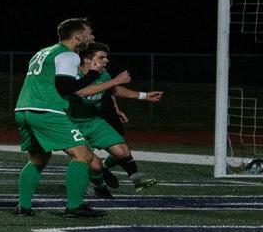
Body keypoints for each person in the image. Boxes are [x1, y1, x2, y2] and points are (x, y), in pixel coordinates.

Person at [13, 18, 131, 218]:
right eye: (88, 33)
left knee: (38, 158)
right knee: (83, 155)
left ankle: (23, 207)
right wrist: (93, 73)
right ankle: (74, 207)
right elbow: (66, 88)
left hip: (23, 110)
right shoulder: (68, 55)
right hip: (47, 111)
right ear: (78, 36)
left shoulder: (43, 52)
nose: (91, 37)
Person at [71, 42, 162, 196]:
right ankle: (99, 188)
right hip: (72, 124)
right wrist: (116, 80)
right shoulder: (72, 74)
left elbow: (112, 89)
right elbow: (82, 92)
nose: (106, 60)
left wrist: (143, 95)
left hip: (94, 120)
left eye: (106, 57)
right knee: (94, 166)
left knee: (122, 150)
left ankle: (137, 181)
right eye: (101, 57)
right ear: (87, 60)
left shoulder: (103, 74)